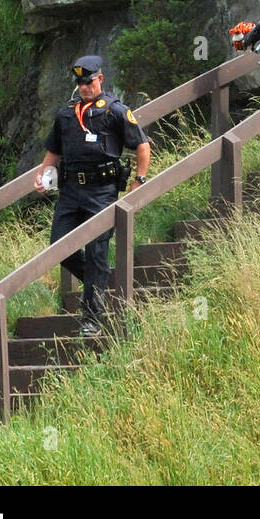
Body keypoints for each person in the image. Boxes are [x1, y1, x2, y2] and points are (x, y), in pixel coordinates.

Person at [33, 55, 151, 337]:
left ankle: (92, 319)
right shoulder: (66, 114)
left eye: (89, 81)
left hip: (102, 191)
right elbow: (54, 151)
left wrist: (139, 182)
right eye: (80, 83)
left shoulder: (115, 111)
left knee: (97, 252)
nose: (84, 87)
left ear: (100, 79)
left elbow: (142, 146)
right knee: (59, 248)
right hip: (71, 190)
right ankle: (98, 285)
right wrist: (42, 175)